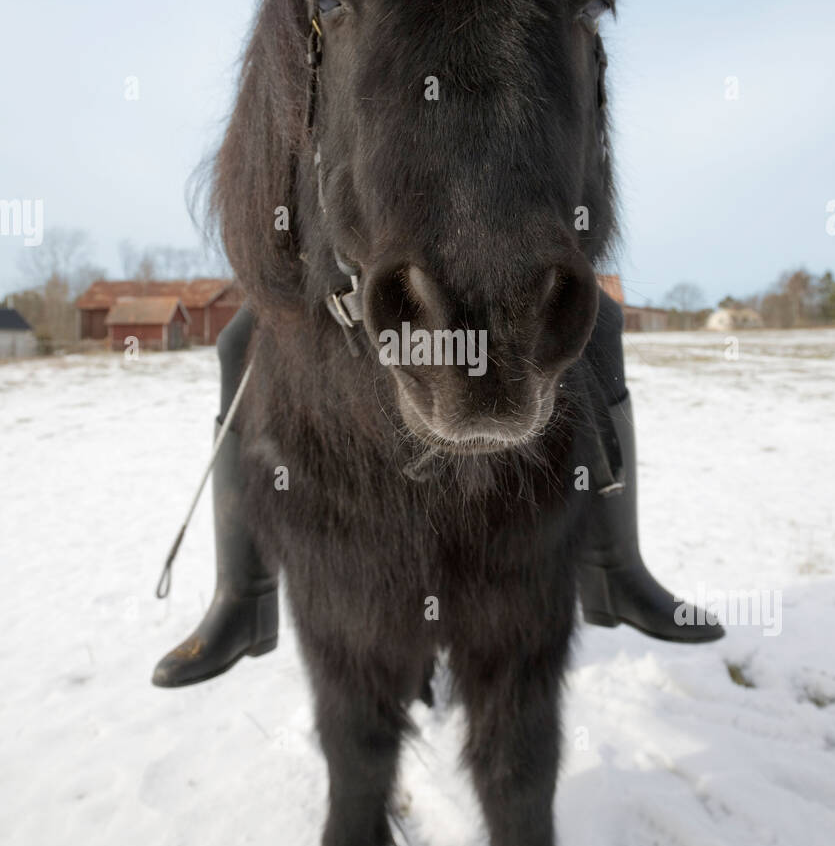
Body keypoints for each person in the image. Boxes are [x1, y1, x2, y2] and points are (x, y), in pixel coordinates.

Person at [152, 290, 722, 688]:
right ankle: (242, 600)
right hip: (338, 251)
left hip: (497, 230)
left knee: (602, 322)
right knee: (238, 341)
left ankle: (616, 568)